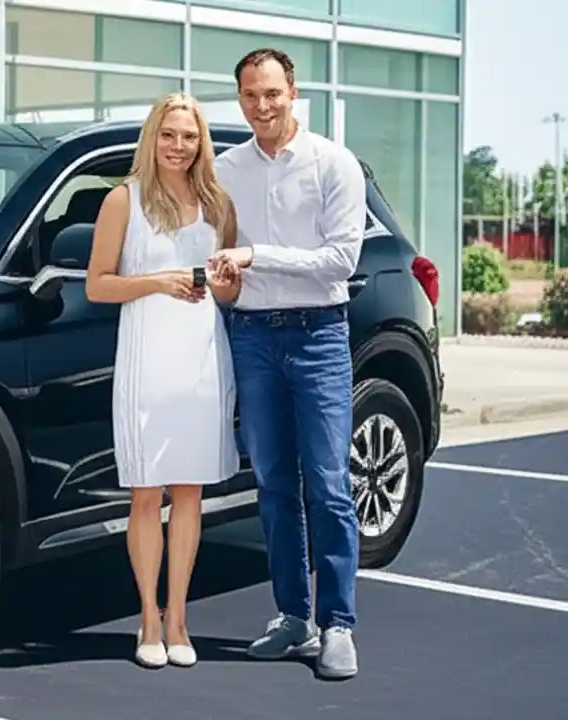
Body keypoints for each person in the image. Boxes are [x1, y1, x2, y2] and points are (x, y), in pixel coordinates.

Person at [207, 48, 365, 680]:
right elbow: (220, 255)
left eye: (272, 93)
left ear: (293, 92)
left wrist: (254, 256)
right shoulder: (225, 169)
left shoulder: (334, 163)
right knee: (272, 484)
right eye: (250, 95)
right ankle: (293, 617)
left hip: (319, 336)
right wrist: (221, 273)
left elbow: (339, 263)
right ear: (240, 98)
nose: (262, 106)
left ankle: (339, 625)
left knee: (327, 484)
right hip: (253, 337)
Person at [86, 92, 242, 669]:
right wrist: (157, 281)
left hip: (201, 357)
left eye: (190, 136)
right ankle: (147, 618)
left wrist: (224, 279)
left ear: (202, 143)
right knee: (147, 492)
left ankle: (180, 616)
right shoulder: (121, 201)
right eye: (170, 134)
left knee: (191, 492)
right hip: (148, 357)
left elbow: (229, 292)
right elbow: (98, 285)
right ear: (152, 136)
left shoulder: (217, 203)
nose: (179, 146)